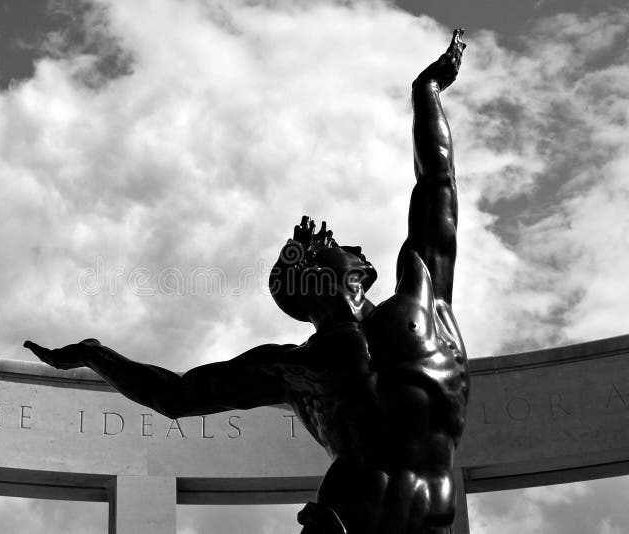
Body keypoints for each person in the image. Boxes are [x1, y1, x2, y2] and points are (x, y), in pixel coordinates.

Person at [25, 29, 469, 534]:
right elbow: (175, 395)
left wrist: (427, 91)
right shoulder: (292, 368)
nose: (356, 247)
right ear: (311, 276)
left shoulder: (421, 295)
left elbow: (437, 184)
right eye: (332, 244)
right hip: (342, 522)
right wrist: (94, 354)